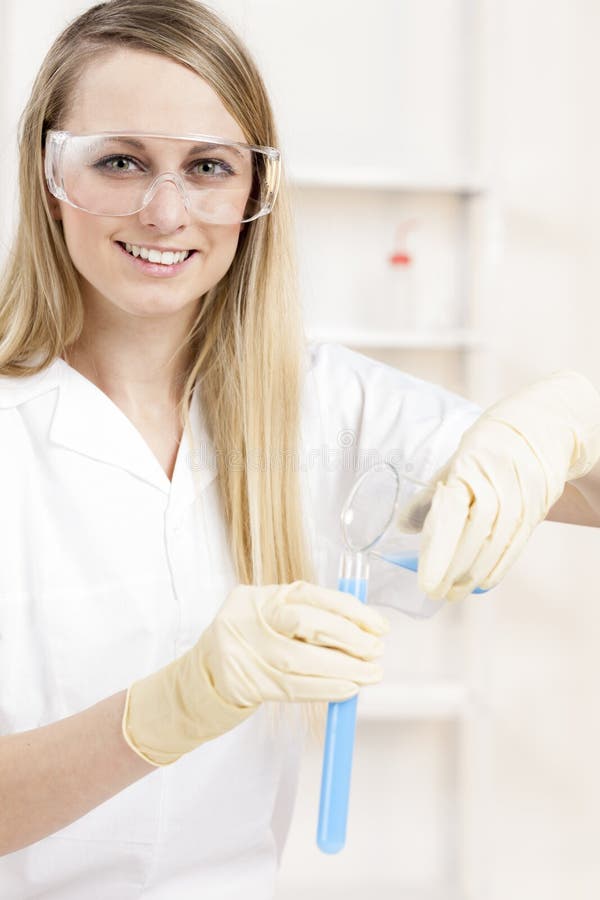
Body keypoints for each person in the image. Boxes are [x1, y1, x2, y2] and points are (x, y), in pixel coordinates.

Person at [0, 0, 599, 896]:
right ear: (51, 173)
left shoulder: (328, 409)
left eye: (208, 166)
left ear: (255, 191)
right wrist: (160, 713)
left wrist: (565, 429)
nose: (165, 211)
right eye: (121, 160)